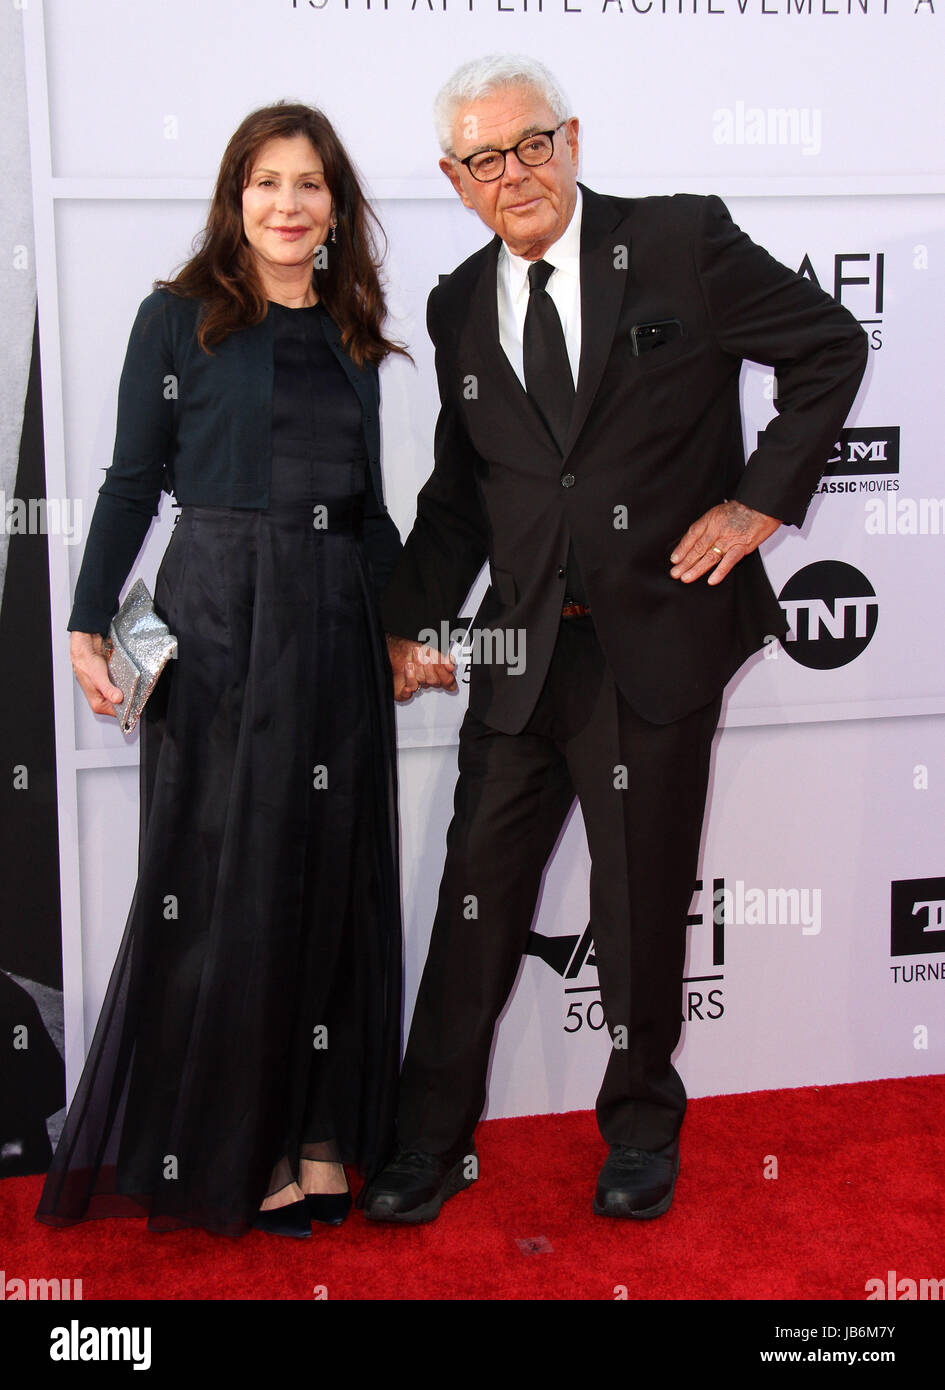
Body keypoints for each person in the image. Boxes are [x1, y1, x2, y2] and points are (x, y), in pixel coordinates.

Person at [365, 55, 868, 1223]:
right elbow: (461, 491)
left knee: (642, 904)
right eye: (486, 158)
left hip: (656, 642)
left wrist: (760, 502)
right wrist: (405, 616)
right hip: (519, 651)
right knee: (475, 898)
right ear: (457, 178)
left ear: (573, 139)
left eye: (532, 143)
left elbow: (829, 347)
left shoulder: (681, 242)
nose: (516, 173)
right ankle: (427, 1138)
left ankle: (642, 1125)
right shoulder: (455, 303)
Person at [36, 103, 405, 1239]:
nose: (288, 204)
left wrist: (408, 623)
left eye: (310, 184)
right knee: (226, 887)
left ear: (335, 208)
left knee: (332, 877)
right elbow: (130, 483)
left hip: (337, 620)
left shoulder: (353, 324)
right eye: (265, 181)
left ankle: (318, 1133)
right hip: (224, 617)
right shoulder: (178, 316)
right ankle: (227, 1151)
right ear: (234, 196)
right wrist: (88, 617)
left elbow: (370, 508)